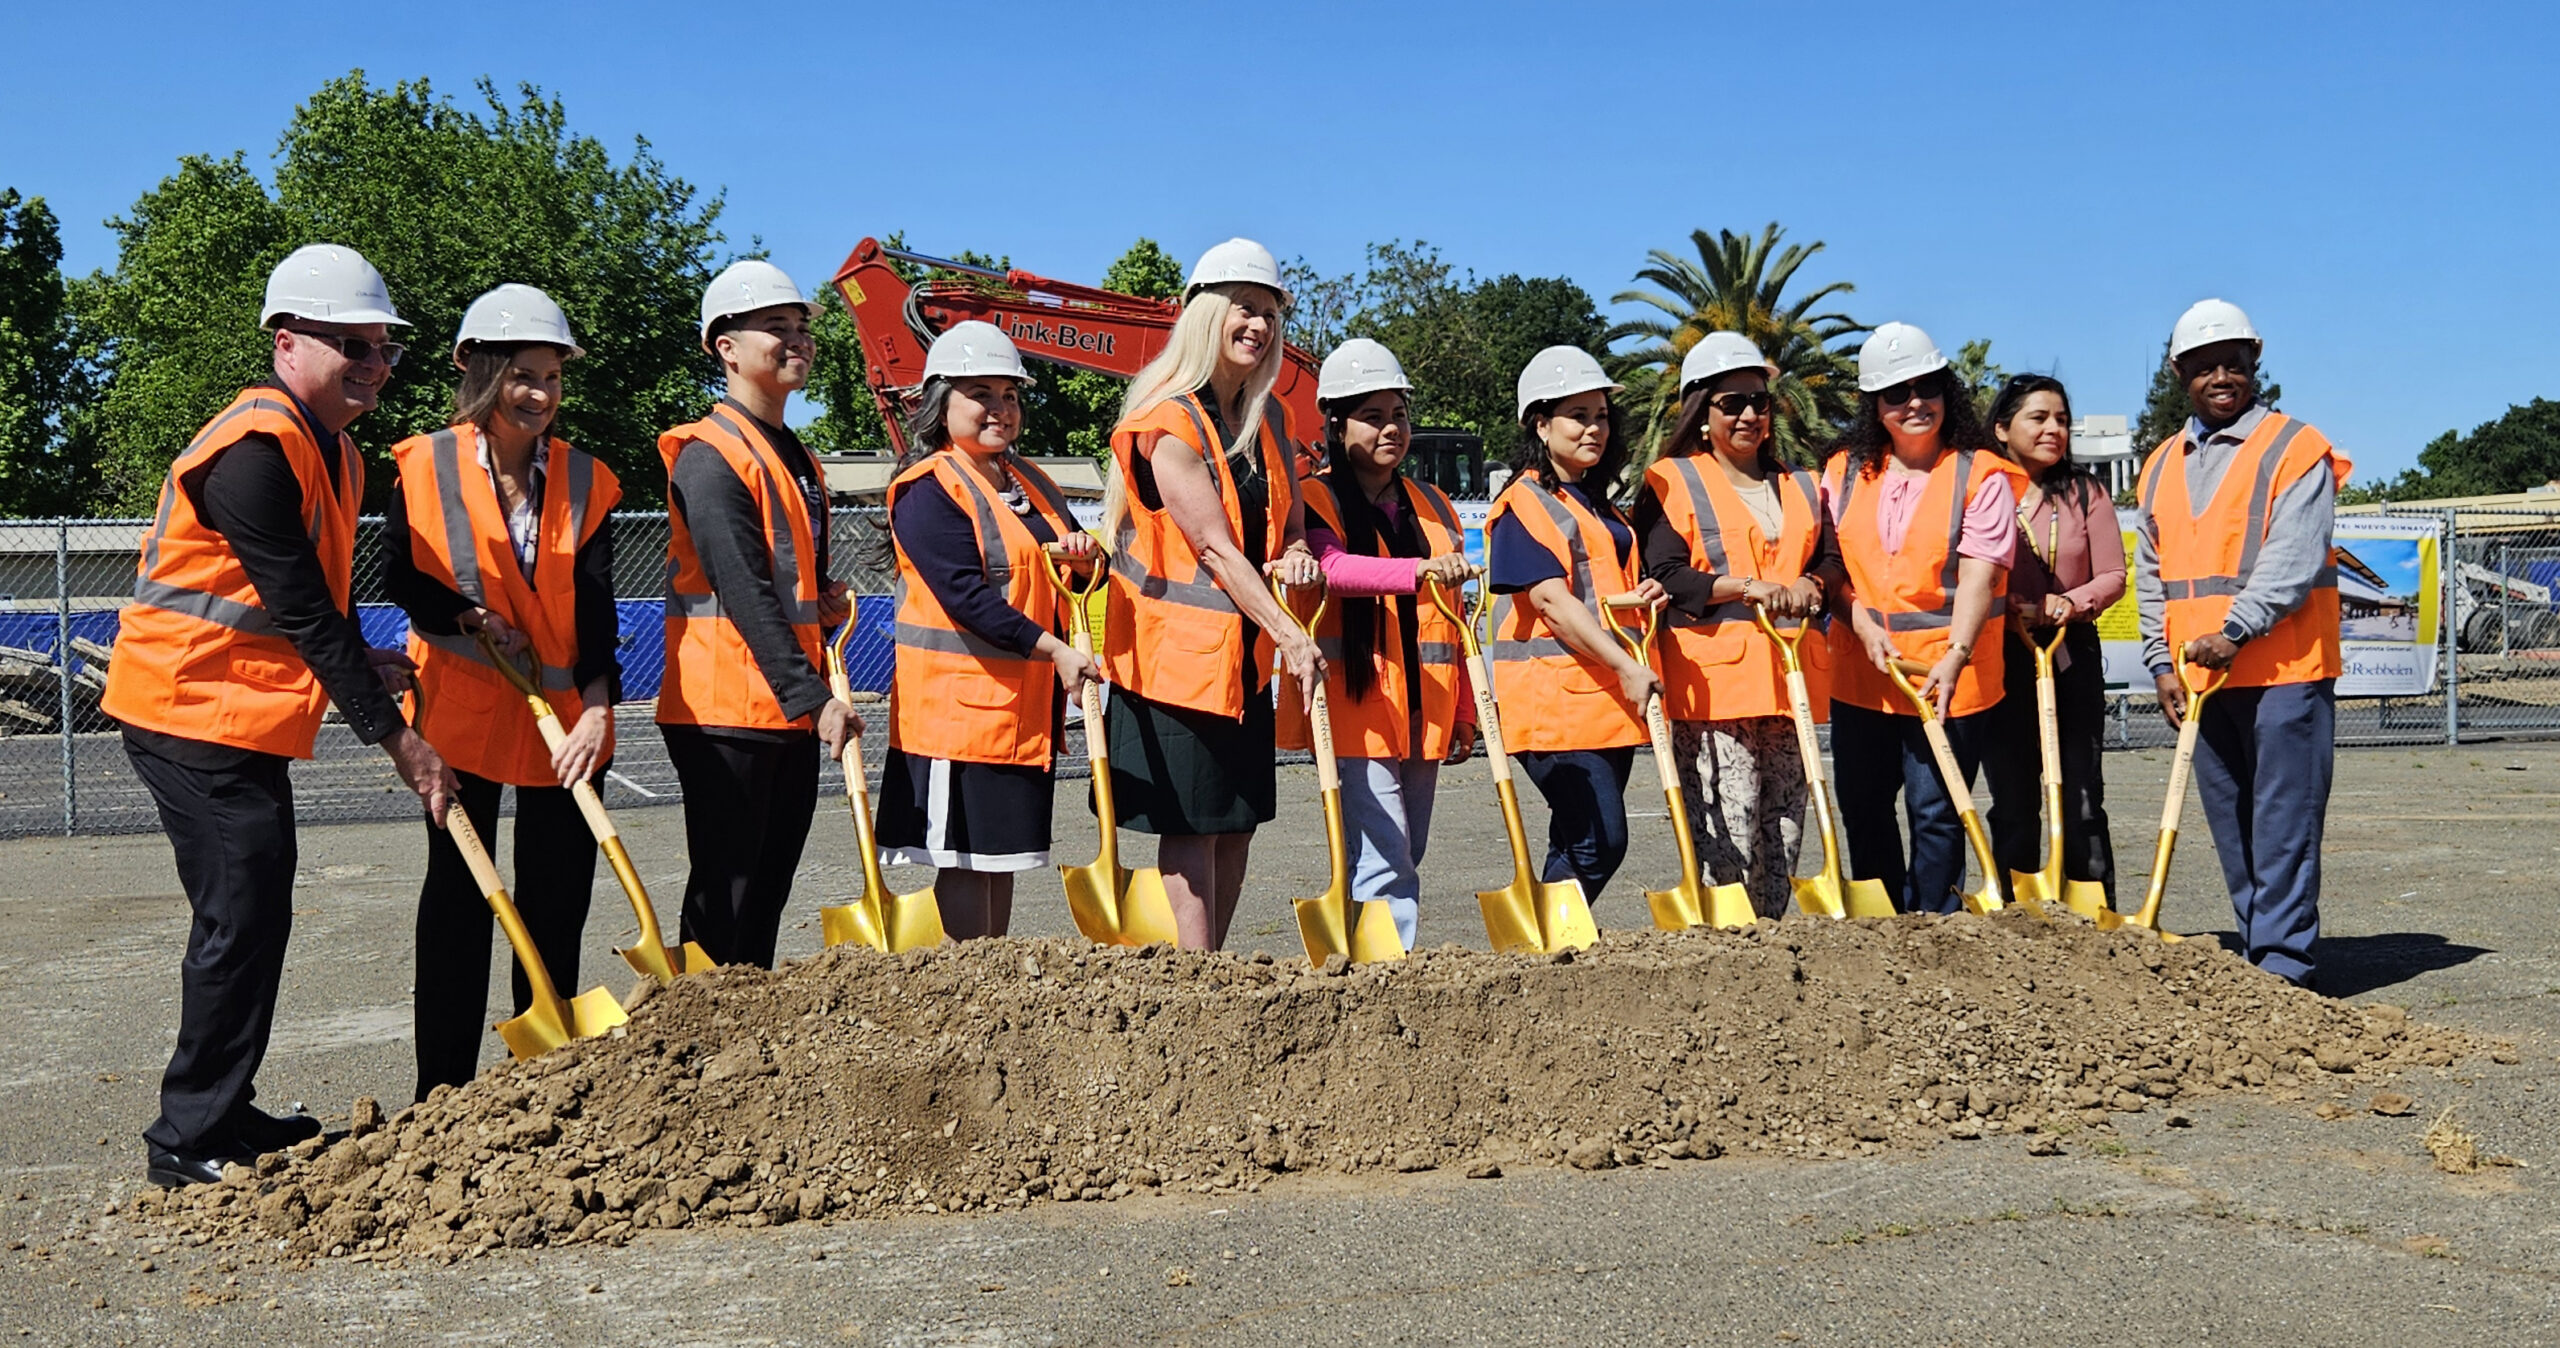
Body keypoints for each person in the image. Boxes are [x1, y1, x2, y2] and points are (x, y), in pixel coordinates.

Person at [101, 244, 456, 1186]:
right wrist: (401, 740)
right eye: (355, 346)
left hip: (234, 713)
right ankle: (187, 1139)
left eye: (386, 350)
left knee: (254, 908)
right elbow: (297, 606)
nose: (376, 367)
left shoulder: (330, 451)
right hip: (185, 706)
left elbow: (313, 607)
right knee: (240, 910)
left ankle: (223, 1109)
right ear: (288, 340)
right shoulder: (254, 450)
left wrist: (363, 654)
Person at [385, 284, 621, 1098]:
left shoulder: (587, 481)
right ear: (477, 370)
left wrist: (597, 705)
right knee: (456, 901)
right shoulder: (421, 463)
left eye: (553, 378)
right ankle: (441, 1093)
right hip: (461, 712)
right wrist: (466, 614)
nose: (541, 394)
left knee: (557, 902)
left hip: (562, 720)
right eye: (523, 374)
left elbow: (595, 606)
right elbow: (400, 577)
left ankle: (545, 1081)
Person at [1100, 238, 1322, 951]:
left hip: (1240, 663)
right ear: (1205, 315)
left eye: (1268, 313)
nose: (1258, 325)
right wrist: (1290, 633)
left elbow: (1280, 530)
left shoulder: (1272, 420)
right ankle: (1196, 983)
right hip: (1175, 666)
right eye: (1243, 309)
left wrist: (1295, 555)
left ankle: (1215, 976)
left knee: (1236, 824)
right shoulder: (1171, 420)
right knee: (1193, 830)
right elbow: (1214, 547)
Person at [2135, 299, 2348, 989]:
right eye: (2204, 366)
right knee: (2232, 825)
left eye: (2234, 363)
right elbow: (2152, 575)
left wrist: (2235, 630)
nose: (2221, 376)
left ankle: (2282, 966)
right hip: (2201, 680)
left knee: (2283, 824)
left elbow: (2292, 557)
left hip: (2284, 670)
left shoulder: (2295, 448)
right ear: (2180, 374)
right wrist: (2160, 661)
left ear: (2254, 364)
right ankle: (2262, 958)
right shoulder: (2162, 463)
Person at [658, 260, 859, 968]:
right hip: (726, 710)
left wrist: (823, 598)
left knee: (766, 895)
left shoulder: (798, 457)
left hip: (781, 706)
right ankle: (695, 1051)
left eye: (802, 328)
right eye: (777, 328)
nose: (797, 340)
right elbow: (739, 586)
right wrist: (814, 698)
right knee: (727, 897)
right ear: (726, 347)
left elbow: (782, 579)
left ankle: (743, 1061)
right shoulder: (710, 455)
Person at [872, 322, 1098, 939]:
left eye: (1010, 394)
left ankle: (992, 991)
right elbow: (966, 598)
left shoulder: (1031, 482)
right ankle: (970, 993)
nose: (1001, 408)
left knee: (1001, 864)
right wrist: (1055, 651)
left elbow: (1066, 576)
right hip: (957, 718)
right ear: (942, 405)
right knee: (967, 866)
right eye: (982, 394)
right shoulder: (927, 489)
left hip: (1018, 717)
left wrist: (1083, 560)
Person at [1276, 338, 1476, 948]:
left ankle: (1363, 949)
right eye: (1373, 415)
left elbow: (1454, 616)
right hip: (1353, 708)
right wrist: (1418, 572)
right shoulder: (1313, 498)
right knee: (1387, 853)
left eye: (1399, 413)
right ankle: (1385, 974)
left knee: (1404, 847)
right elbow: (1334, 568)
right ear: (1336, 425)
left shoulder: (1434, 503)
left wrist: (1464, 709)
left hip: (1425, 707)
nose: (1392, 427)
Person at [1634, 333, 1842, 919]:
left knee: (1784, 831)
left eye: (1759, 400)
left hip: (1789, 680)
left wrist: (1813, 584)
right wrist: (1746, 587)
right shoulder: (1670, 481)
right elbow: (1667, 573)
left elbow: (1830, 559)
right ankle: (1727, 944)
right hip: (1713, 689)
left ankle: (1770, 942)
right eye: (1732, 403)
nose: (1750, 414)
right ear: (1703, 413)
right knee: (1731, 830)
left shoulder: (1802, 483)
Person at [1820, 323, 2019, 914]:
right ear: (1874, 406)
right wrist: (1860, 625)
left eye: (1926, 388)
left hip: (1948, 676)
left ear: (1946, 391)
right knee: (1863, 804)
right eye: (1896, 393)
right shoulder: (1843, 471)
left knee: (1935, 811)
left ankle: (1935, 926)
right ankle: (1881, 931)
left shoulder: (1979, 473)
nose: (1914, 404)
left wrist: (1955, 655)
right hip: (1863, 674)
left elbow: (1980, 573)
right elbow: (1830, 569)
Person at [1484, 345, 1665, 899]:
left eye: (1601, 416)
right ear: (1541, 425)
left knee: (1577, 839)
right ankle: (1547, 945)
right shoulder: (1523, 504)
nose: (1594, 428)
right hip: (1555, 704)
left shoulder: (1599, 505)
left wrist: (1644, 593)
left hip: (1602, 700)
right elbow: (1551, 603)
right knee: (1599, 841)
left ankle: (1548, 957)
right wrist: (1626, 665)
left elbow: (1600, 591)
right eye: (1578, 416)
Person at [1978, 374, 2125, 906]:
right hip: (2004, 657)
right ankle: (2016, 914)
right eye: (2038, 418)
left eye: (2061, 419)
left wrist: (2072, 601)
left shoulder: (2085, 492)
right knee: (2013, 798)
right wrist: (2004, 607)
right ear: (2001, 428)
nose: (2053, 429)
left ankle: (2093, 911)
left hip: (2071, 655)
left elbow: (2113, 574)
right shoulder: (1981, 489)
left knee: (2081, 795)